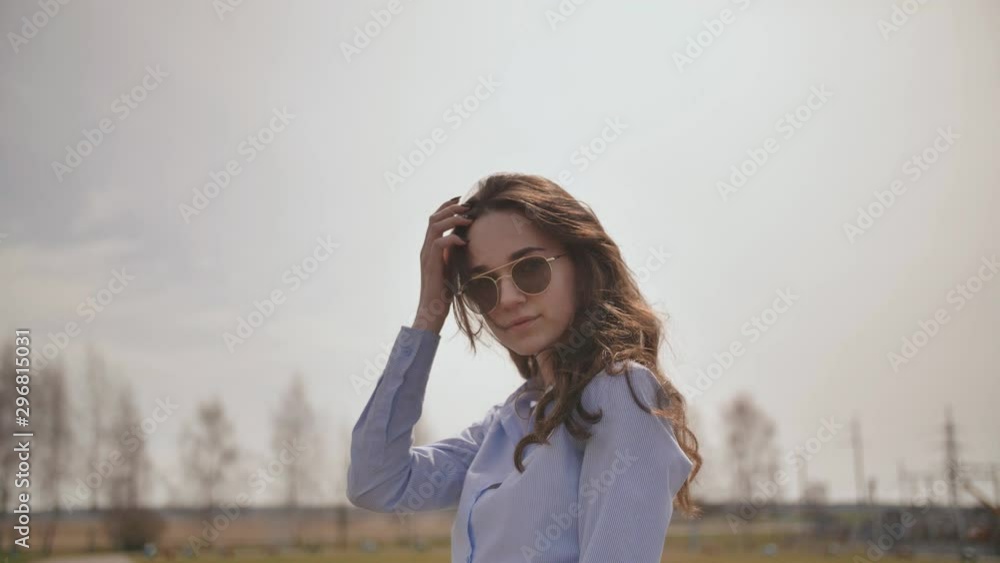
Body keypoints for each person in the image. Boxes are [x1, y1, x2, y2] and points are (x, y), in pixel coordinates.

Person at [347, 173, 702, 562]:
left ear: (582, 266)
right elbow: (376, 483)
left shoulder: (619, 393)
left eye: (530, 268)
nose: (509, 299)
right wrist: (428, 312)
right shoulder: (504, 426)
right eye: (484, 285)